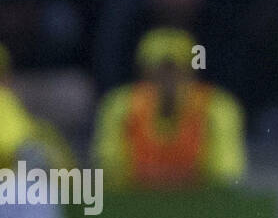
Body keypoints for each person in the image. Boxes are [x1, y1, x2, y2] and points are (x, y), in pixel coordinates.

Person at [91, 28, 246, 189]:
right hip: (137, 204)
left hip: (198, 206)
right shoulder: (121, 106)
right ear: (143, 75)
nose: (167, 83)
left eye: (177, 72)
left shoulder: (216, 107)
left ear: (192, 73)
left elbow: (226, 176)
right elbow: (108, 171)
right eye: (157, 75)